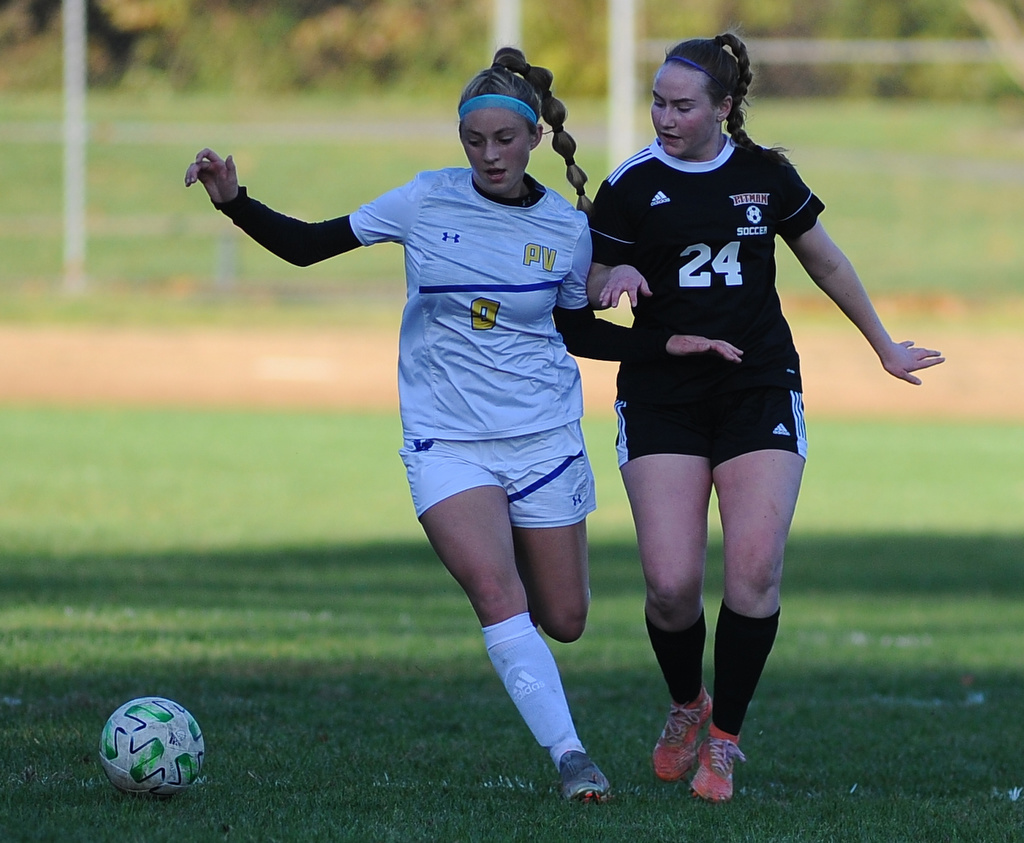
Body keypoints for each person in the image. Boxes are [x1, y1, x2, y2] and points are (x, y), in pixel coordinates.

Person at [185, 48, 741, 803]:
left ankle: (519, 550)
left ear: (533, 138)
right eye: (473, 141)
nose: (488, 155)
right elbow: (311, 245)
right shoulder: (425, 200)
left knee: (568, 618)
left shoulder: (566, 228)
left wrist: (664, 342)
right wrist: (233, 199)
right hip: (447, 439)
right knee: (493, 590)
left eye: (503, 141)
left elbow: (580, 332)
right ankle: (572, 756)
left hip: (543, 437)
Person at [586, 33, 945, 802]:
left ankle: (724, 740)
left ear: (723, 108)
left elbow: (826, 261)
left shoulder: (765, 176)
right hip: (661, 392)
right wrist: (610, 272)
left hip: (758, 386)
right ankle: (688, 705)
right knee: (671, 585)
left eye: (683, 105)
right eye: (658, 101)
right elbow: (589, 280)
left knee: (754, 570)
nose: (664, 117)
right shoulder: (629, 183)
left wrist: (883, 345)